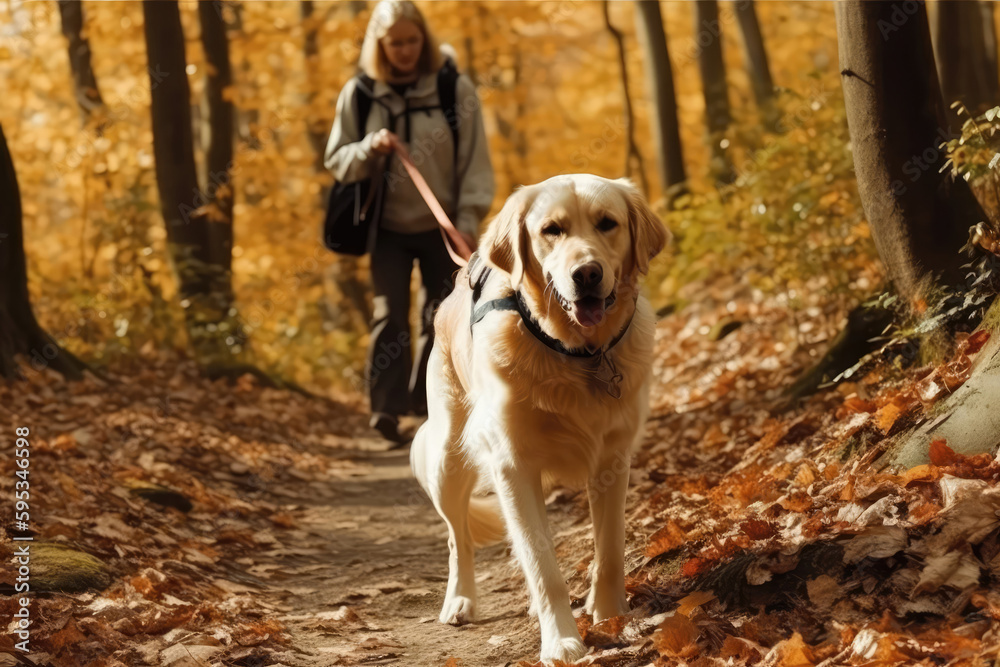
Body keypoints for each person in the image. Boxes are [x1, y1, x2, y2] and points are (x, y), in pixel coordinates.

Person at [325, 0, 495, 445]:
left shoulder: (452, 88)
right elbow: (337, 161)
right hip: (387, 230)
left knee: (439, 318)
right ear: (379, 45)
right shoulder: (359, 93)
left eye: (412, 41)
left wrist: (468, 217)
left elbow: (474, 160)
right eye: (394, 43)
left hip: (444, 229)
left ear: (424, 39)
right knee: (389, 316)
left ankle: (429, 408)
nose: (404, 50)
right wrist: (368, 148)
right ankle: (385, 409)